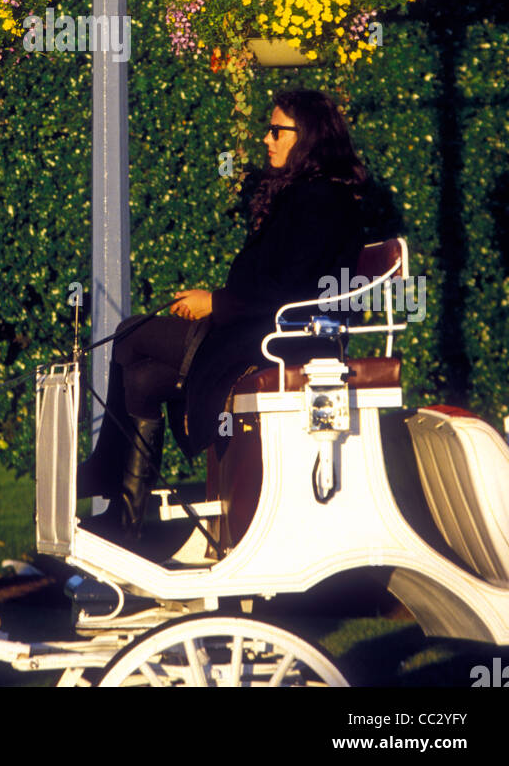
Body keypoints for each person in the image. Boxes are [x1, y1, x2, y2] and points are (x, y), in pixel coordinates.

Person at [78, 89, 366, 540]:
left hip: (281, 335)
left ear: (306, 135)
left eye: (277, 131)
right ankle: (125, 517)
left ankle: (106, 468)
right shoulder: (303, 194)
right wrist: (217, 301)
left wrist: (216, 303)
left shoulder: (321, 200)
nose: (266, 139)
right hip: (255, 326)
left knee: (131, 332)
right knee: (143, 380)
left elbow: (292, 290)